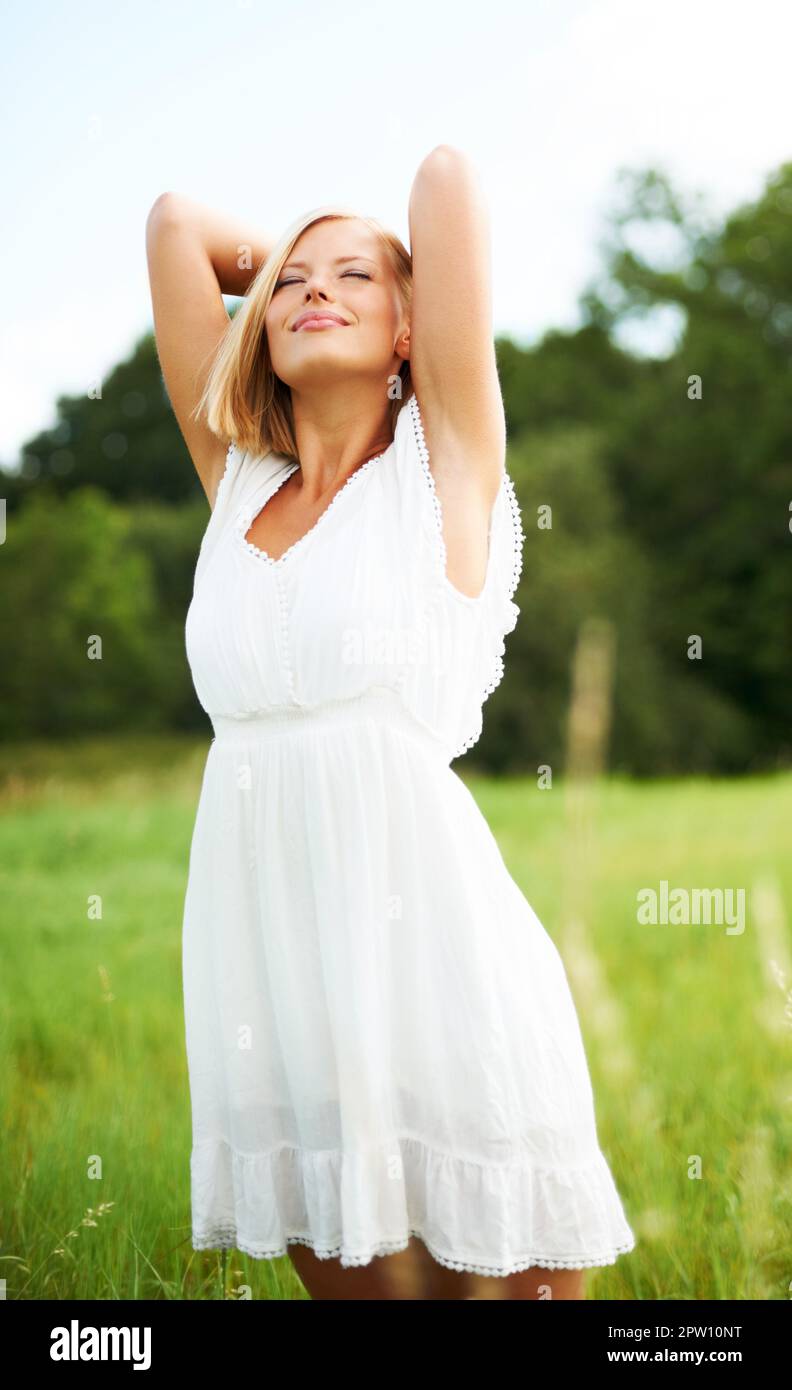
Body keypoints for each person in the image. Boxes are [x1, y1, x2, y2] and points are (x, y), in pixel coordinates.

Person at [145, 145, 636, 1301]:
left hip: (432, 943)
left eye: (354, 278)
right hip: (270, 953)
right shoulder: (241, 483)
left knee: (508, 1283)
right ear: (259, 325)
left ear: (412, 328)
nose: (314, 290)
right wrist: (308, 269)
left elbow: (449, 181)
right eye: (293, 282)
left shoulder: (444, 462)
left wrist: (335, 259)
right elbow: (174, 227)